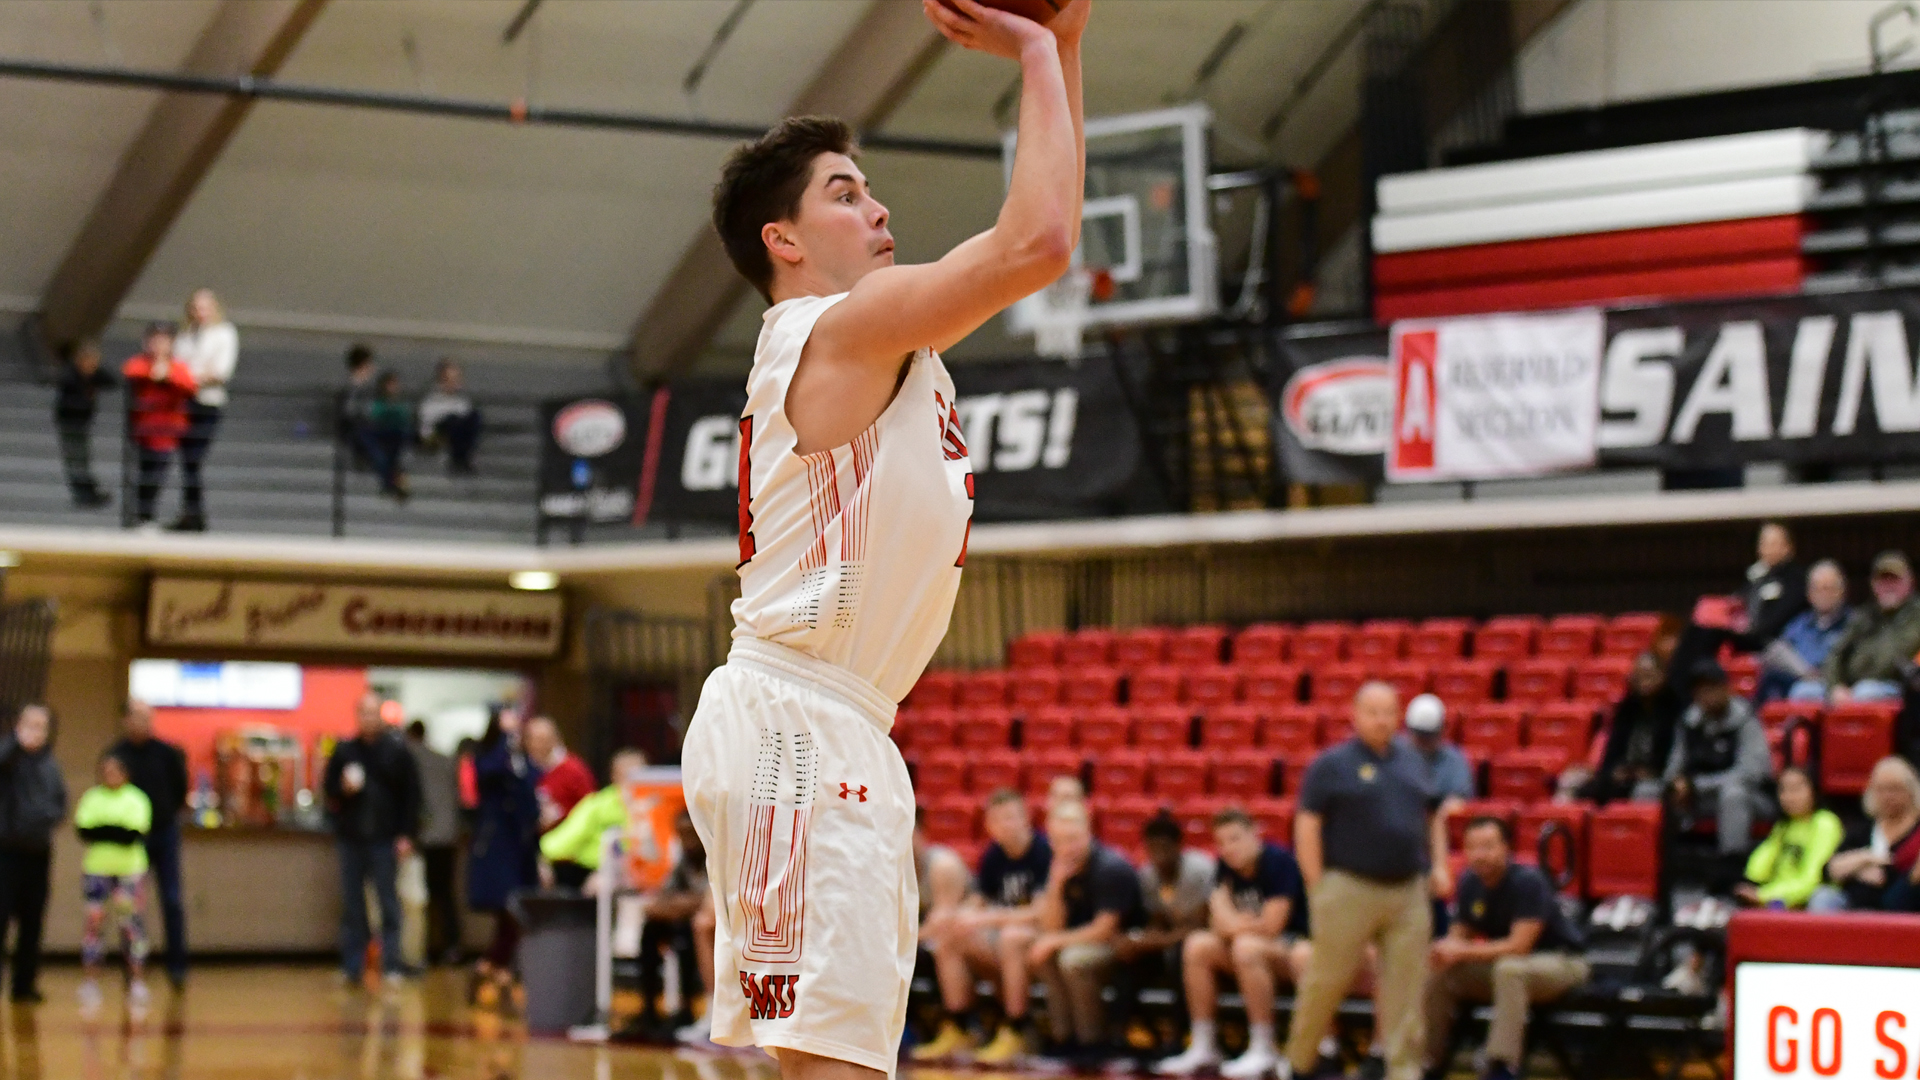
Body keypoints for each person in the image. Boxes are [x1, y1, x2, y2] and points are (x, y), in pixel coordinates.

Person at [680, 0, 1087, 1075]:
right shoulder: (835, 328)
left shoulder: (872, 343)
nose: (878, 206)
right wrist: (1039, 52)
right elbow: (1039, 239)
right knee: (837, 1066)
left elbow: (1045, 233)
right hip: (799, 725)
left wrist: (1069, 48)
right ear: (785, 239)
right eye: (844, 193)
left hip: (825, 723)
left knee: (835, 1061)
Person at [1285, 681, 1451, 1080]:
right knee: (1326, 981)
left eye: (1389, 712)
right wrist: (1316, 885)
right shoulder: (1331, 764)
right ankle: (1299, 1063)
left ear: (1399, 717)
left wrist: (1441, 865)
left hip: (1409, 889)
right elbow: (1307, 824)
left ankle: (1403, 1069)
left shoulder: (1415, 760)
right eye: (1373, 712)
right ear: (1355, 715)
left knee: (1407, 988)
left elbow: (1433, 817)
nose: (1381, 720)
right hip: (1349, 886)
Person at [1422, 817, 1589, 1080]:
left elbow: (1519, 946)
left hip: (1562, 962)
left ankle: (1502, 1066)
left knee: (1510, 969)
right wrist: (1443, 951)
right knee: (1442, 971)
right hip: (1506, 967)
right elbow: (1459, 938)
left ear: (1507, 848)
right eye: (1472, 847)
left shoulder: (1528, 881)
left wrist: (1460, 951)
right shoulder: (1469, 882)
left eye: (1488, 846)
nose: (1479, 855)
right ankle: (1425, 1062)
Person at [1155, 808, 1305, 1078]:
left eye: (1234, 839)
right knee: (1197, 944)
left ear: (1254, 834)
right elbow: (1215, 921)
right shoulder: (1225, 867)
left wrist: (1232, 923)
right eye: (1221, 842)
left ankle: (1264, 1046)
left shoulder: (1279, 861)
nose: (1228, 848)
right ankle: (1204, 1045)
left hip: (1291, 948)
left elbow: (1273, 926)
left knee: (1246, 947)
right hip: (1247, 946)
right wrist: (1238, 924)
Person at [914, 790, 1055, 1064]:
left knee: (1011, 938)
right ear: (989, 825)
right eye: (999, 820)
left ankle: (1018, 1029)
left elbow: (1040, 914)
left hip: (1040, 936)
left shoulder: (1042, 852)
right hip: (1003, 938)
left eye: (1012, 817)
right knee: (949, 938)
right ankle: (961, 1026)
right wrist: (960, 916)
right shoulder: (993, 856)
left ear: (1027, 819)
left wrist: (985, 919)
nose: (1007, 825)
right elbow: (979, 901)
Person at [1029, 799, 1142, 1064]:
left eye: (1073, 839)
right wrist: (1056, 886)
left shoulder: (1110, 867)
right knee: (1043, 956)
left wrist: (1054, 940)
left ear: (1088, 833)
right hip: (1082, 940)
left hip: (1128, 946)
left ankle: (1092, 1043)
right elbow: (1051, 927)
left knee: (1073, 960)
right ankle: (1063, 1039)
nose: (1067, 847)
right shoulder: (1059, 867)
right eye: (1059, 840)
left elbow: (1104, 930)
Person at [322, 693, 420, 987]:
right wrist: (342, 790)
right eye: (363, 713)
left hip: (384, 839)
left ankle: (391, 965)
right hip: (351, 839)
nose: (368, 719)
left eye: (373, 713)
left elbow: (411, 797)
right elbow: (328, 792)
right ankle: (353, 965)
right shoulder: (344, 751)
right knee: (353, 905)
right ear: (357, 716)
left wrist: (406, 834)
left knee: (388, 903)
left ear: (381, 716)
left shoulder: (397, 752)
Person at [1113, 810, 1213, 1054]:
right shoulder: (1147, 876)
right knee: (1128, 960)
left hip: (1203, 944)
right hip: (1171, 941)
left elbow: (1200, 925)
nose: (1158, 853)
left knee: (1180, 955)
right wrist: (1138, 941)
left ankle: (1177, 1037)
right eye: (1152, 847)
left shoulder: (1200, 870)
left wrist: (1153, 942)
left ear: (1179, 846)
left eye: (1164, 846)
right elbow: (1157, 920)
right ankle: (1117, 1035)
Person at [107, 699, 189, 989]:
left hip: (165, 833)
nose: (143, 722)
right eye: (137, 717)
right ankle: (133, 965)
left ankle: (177, 967)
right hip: (132, 839)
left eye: (147, 717)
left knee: (172, 900)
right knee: (130, 905)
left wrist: (166, 813)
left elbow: (181, 790)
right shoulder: (116, 754)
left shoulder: (167, 753)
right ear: (126, 720)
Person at [467, 707, 540, 1001]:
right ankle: (499, 974)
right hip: (497, 848)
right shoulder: (489, 757)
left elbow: (532, 788)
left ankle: (490, 969)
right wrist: (505, 742)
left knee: (514, 916)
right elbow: (489, 773)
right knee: (509, 911)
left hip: (520, 848)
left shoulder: (523, 763)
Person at [1662, 660, 1772, 858]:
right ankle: (1651, 867)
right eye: (1700, 690)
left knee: (1733, 794)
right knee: (1648, 791)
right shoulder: (1689, 722)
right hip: (1698, 799)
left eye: (1712, 688)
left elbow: (1752, 773)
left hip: (1750, 798)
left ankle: (1730, 867)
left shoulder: (1745, 718)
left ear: (1726, 688)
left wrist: (1696, 786)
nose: (1707, 696)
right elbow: (1673, 767)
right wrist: (1675, 783)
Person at [73, 751, 152, 1016]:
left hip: (130, 871)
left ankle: (137, 981)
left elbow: (132, 833)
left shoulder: (136, 799)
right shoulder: (92, 798)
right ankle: (91, 980)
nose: (110, 776)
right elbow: (85, 830)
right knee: (94, 924)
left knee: (132, 927)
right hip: (97, 870)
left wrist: (106, 830)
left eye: (115, 770)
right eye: (105, 771)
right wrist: (113, 830)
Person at [0, 704, 65, 1003]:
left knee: (32, 920)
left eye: (41, 725)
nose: (35, 730)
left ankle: (23, 986)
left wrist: (47, 817)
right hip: (6, 851)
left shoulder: (51, 764)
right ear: (18, 724)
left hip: (38, 852)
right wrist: (15, 742)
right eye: (29, 723)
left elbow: (60, 801)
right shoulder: (8, 755)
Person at [1560, 652, 1684, 805]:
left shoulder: (1675, 709)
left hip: (1657, 777)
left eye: (1650, 675)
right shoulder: (1625, 710)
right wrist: (1615, 771)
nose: (1645, 682)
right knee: (1572, 783)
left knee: (1644, 791)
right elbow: (1612, 751)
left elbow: (1676, 755)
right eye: (1640, 677)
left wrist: (1654, 773)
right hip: (1624, 774)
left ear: (1663, 676)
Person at [1807, 551, 1920, 704]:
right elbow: (1836, 654)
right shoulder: (1864, 615)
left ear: (1910, 582)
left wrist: (1854, 685)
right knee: (1805, 691)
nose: (1888, 586)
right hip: (1852, 687)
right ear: (1873, 584)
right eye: (1883, 580)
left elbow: (1894, 658)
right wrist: (1835, 686)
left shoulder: (1915, 615)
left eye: (1894, 580)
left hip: (1899, 688)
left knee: (1866, 691)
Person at [1811, 757, 1920, 912]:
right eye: (1881, 789)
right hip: (1852, 906)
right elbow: (1829, 870)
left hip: (1898, 908)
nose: (1888, 796)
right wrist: (1863, 861)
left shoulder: (1916, 832)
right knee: (1823, 896)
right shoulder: (1863, 830)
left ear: (1911, 791)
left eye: (1895, 789)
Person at [170, 288, 238, 532]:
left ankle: (195, 514)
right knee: (187, 462)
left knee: (194, 459)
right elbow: (175, 366)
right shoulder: (185, 334)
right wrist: (193, 375)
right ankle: (191, 514)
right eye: (196, 308)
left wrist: (189, 376)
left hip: (208, 403)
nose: (200, 313)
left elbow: (220, 372)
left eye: (205, 308)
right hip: (184, 403)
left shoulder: (224, 333)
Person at [640, 812, 713, 1040]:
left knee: (689, 932)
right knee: (651, 930)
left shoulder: (715, 857)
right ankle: (650, 1009)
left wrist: (683, 904)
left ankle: (688, 1009)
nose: (687, 841)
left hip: (717, 926)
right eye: (682, 835)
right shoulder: (684, 861)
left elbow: (708, 902)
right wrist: (680, 904)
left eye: (691, 835)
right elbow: (659, 902)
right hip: (689, 921)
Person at [539, 748, 649, 891]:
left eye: (640, 777)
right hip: (598, 872)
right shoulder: (597, 806)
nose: (632, 785)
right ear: (615, 777)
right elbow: (559, 843)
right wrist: (543, 858)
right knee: (599, 883)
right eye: (627, 777)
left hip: (644, 874)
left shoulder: (655, 807)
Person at [121, 322, 197, 529]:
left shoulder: (177, 367)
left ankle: (148, 517)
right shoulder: (140, 363)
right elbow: (130, 371)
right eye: (155, 339)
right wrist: (153, 373)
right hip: (143, 432)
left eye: (163, 340)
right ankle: (140, 518)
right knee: (141, 476)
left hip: (167, 434)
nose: (159, 344)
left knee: (157, 477)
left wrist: (167, 376)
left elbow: (190, 385)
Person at [1735, 766, 1843, 910]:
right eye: (1783, 790)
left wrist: (1763, 896)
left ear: (1813, 791)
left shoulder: (1825, 823)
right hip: (1776, 897)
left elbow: (1813, 879)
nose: (1789, 797)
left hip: (1809, 899)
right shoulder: (1783, 827)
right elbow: (1756, 872)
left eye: (1796, 789)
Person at [403, 721, 463, 965]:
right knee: (445, 895)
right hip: (448, 835)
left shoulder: (410, 759)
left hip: (425, 836)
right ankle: (452, 946)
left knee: (419, 897)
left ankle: (420, 950)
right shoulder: (445, 760)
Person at [1761, 560, 1855, 704]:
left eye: (1828, 588)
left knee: (1805, 692)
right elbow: (1779, 651)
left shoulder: (1853, 623)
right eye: (1818, 589)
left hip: (1835, 686)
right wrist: (1804, 672)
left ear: (1842, 591)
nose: (1823, 594)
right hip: (1797, 679)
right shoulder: (1799, 624)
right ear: (1809, 594)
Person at [53, 339, 115, 508]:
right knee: (76, 460)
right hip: (70, 424)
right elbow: (71, 401)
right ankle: (85, 494)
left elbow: (112, 380)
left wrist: (94, 374)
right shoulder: (70, 376)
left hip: (83, 424)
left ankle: (89, 493)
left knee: (82, 459)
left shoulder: (93, 374)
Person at [525, 716, 596, 853]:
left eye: (542, 740)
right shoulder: (526, 770)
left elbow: (590, 808)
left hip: (568, 850)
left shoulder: (574, 770)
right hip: (533, 845)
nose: (535, 745)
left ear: (554, 739)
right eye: (531, 739)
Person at [1400, 694, 1475, 807]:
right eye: (1420, 736)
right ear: (1408, 730)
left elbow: (1461, 799)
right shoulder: (1395, 757)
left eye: (1429, 736)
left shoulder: (1454, 761)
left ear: (1442, 731)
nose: (1424, 742)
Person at [418, 358, 481, 475]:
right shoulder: (430, 404)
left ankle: (464, 460)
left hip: (462, 448)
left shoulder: (464, 404)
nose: (452, 383)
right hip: (441, 449)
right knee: (452, 420)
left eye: (456, 379)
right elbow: (426, 436)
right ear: (440, 380)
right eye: (448, 379)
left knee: (474, 416)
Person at [367, 370, 413, 500]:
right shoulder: (377, 404)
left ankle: (396, 481)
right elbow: (374, 420)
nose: (393, 388)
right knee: (382, 456)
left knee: (400, 446)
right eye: (389, 384)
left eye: (395, 384)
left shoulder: (402, 406)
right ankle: (393, 482)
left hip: (397, 439)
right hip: (382, 438)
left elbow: (405, 420)